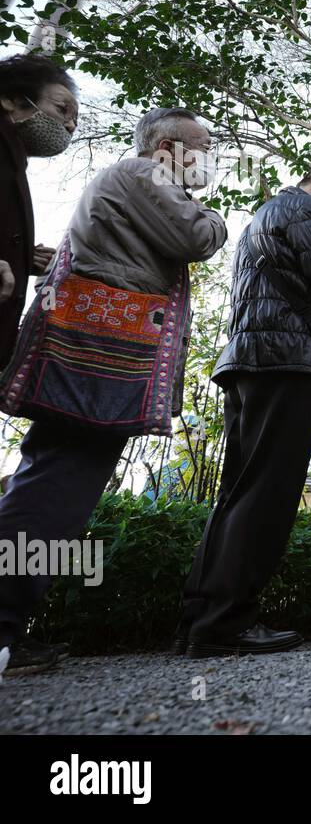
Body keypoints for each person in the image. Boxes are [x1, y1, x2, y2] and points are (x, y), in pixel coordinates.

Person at [0, 106, 227, 677]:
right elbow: (198, 238)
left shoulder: (132, 180)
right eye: (203, 144)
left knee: (56, 482)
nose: (212, 154)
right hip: (97, 358)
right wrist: (216, 217)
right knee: (56, 489)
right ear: (166, 147)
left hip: (98, 354)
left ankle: (10, 628)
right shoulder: (143, 174)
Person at [177, 161, 311, 659]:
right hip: (288, 362)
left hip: (251, 361)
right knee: (268, 495)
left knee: (239, 491)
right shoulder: (302, 207)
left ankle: (203, 617)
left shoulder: (265, 216)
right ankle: (226, 623)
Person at [0, 53, 77, 368]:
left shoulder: (13, 159)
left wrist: (20, 256)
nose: (70, 125)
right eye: (62, 109)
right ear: (11, 99)